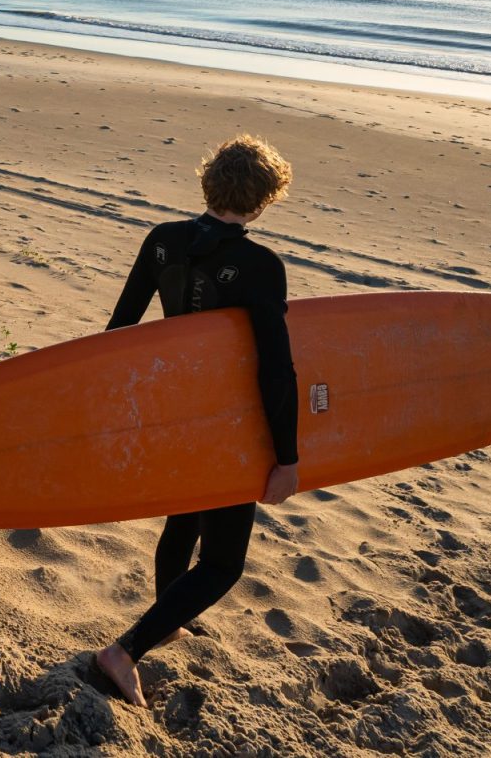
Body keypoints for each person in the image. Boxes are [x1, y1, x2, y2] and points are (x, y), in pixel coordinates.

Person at [88, 134, 299, 708]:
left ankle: (168, 623)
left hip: (170, 413)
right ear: (263, 200)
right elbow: (276, 369)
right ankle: (126, 651)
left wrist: (123, 410)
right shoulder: (261, 266)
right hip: (226, 425)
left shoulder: (162, 239)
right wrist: (287, 457)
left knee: (184, 519)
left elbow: (119, 332)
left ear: (208, 183)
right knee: (224, 562)